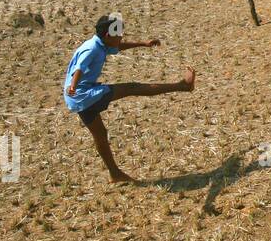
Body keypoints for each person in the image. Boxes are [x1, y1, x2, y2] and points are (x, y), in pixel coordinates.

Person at [63, 14, 195, 183]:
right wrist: (74, 86)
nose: (121, 37)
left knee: (100, 134)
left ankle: (115, 173)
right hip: (84, 95)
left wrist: (143, 44)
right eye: (119, 35)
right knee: (132, 88)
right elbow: (79, 68)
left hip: (76, 99)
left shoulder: (100, 43)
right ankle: (183, 85)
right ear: (108, 36)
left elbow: (118, 47)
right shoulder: (92, 49)